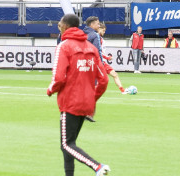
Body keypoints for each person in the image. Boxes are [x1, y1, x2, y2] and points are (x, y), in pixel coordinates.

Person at [47, 13, 110, 176]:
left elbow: (58, 77)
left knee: (66, 145)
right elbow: (103, 80)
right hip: (86, 103)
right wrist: (92, 98)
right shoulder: (91, 48)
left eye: (60, 23)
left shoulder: (64, 46)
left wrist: (50, 89)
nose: (59, 25)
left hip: (70, 102)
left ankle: (97, 166)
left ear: (66, 26)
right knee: (70, 144)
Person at [96, 22, 126, 94]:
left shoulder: (100, 39)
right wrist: (107, 57)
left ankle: (122, 90)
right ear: (99, 29)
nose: (104, 32)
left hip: (102, 62)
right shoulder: (97, 38)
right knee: (98, 80)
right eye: (103, 30)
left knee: (114, 74)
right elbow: (98, 51)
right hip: (99, 62)